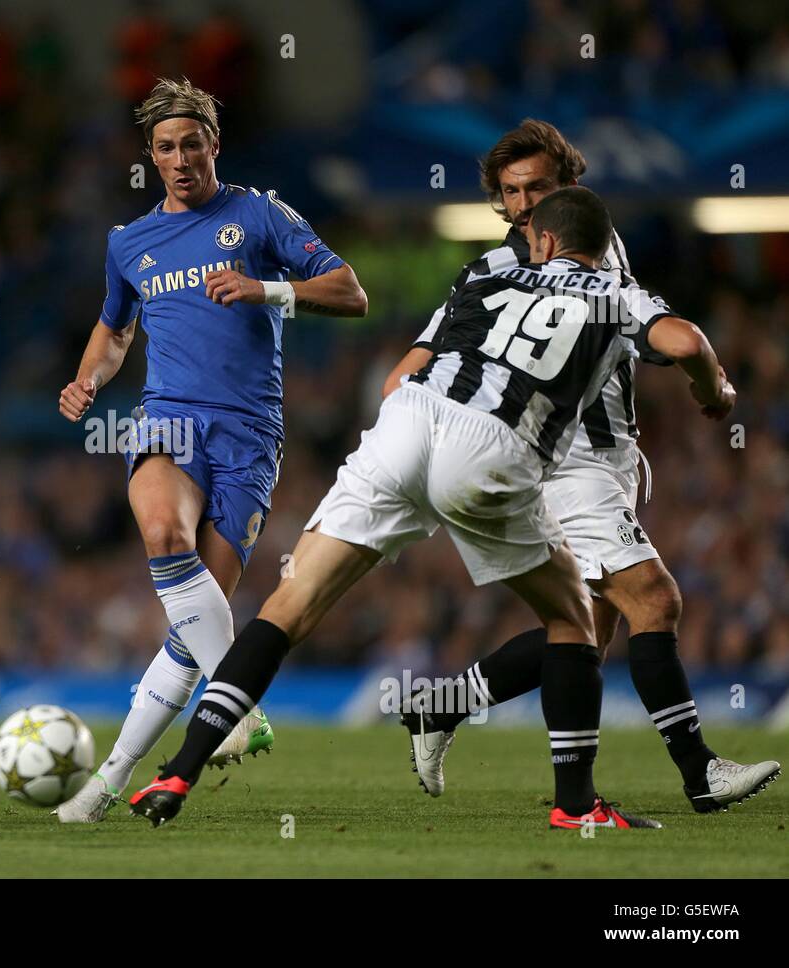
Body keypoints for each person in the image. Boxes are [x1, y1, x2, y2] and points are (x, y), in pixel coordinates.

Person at [131, 186, 733, 831]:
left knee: (288, 606)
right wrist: (715, 389)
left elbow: (417, 362)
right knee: (575, 616)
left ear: (547, 241)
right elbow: (685, 340)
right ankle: (577, 807)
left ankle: (177, 771)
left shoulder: (488, 277)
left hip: (407, 422)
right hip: (491, 446)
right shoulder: (616, 294)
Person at [383, 120, 778, 811]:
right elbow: (414, 366)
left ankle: (437, 707)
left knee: (584, 632)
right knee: (654, 599)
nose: (526, 202)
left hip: (611, 452)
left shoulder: (599, 244)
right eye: (512, 192)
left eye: (538, 186)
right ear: (500, 204)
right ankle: (698, 774)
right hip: (564, 461)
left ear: (570, 185)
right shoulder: (493, 272)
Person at [54, 77, 368, 822]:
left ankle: (104, 784)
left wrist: (267, 291)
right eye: (165, 147)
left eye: (192, 142)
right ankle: (244, 706)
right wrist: (88, 378)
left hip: (249, 433)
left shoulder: (259, 214)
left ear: (213, 145)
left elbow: (350, 291)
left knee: (194, 633)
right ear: (151, 156)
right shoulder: (128, 243)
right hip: (167, 417)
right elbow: (114, 329)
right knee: (162, 530)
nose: (180, 157)